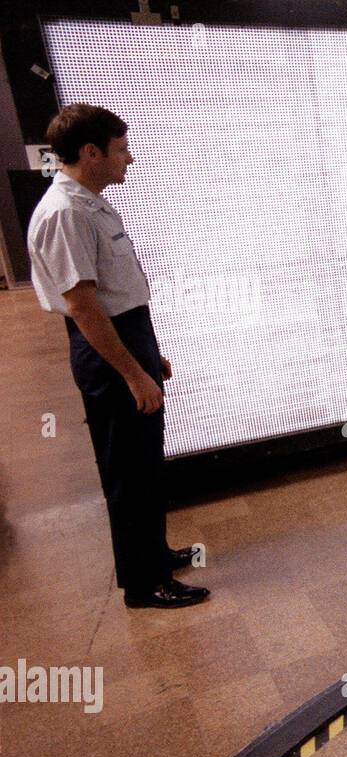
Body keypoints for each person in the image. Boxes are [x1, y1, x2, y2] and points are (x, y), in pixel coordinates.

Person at [27, 104, 209, 609]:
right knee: (127, 471)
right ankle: (144, 583)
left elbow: (112, 294)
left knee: (144, 464)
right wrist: (132, 372)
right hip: (106, 350)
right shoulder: (64, 213)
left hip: (126, 336)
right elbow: (83, 307)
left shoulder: (87, 203)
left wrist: (150, 356)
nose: (129, 159)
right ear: (91, 152)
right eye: (121, 149)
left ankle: (151, 554)